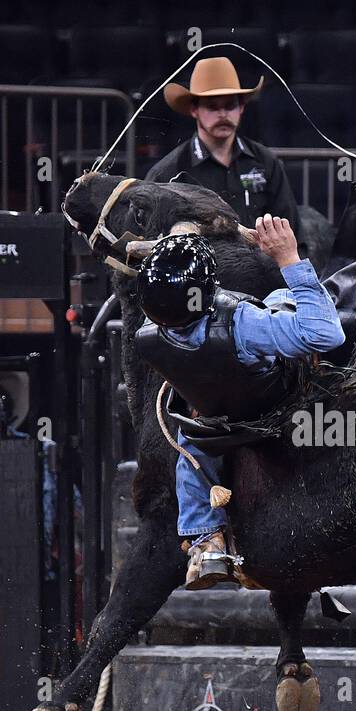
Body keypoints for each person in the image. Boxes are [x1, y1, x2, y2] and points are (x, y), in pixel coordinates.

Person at [134, 219, 341, 588]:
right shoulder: (244, 323)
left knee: (190, 446)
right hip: (275, 407)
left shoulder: (148, 337)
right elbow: (325, 334)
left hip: (212, 423)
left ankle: (205, 540)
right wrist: (289, 257)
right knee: (287, 299)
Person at [144, 57, 300, 233]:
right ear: (194, 110)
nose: (223, 114)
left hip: (260, 259)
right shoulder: (167, 173)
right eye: (212, 107)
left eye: (230, 105)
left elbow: (291, 232)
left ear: (241, 108)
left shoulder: (266, 162)